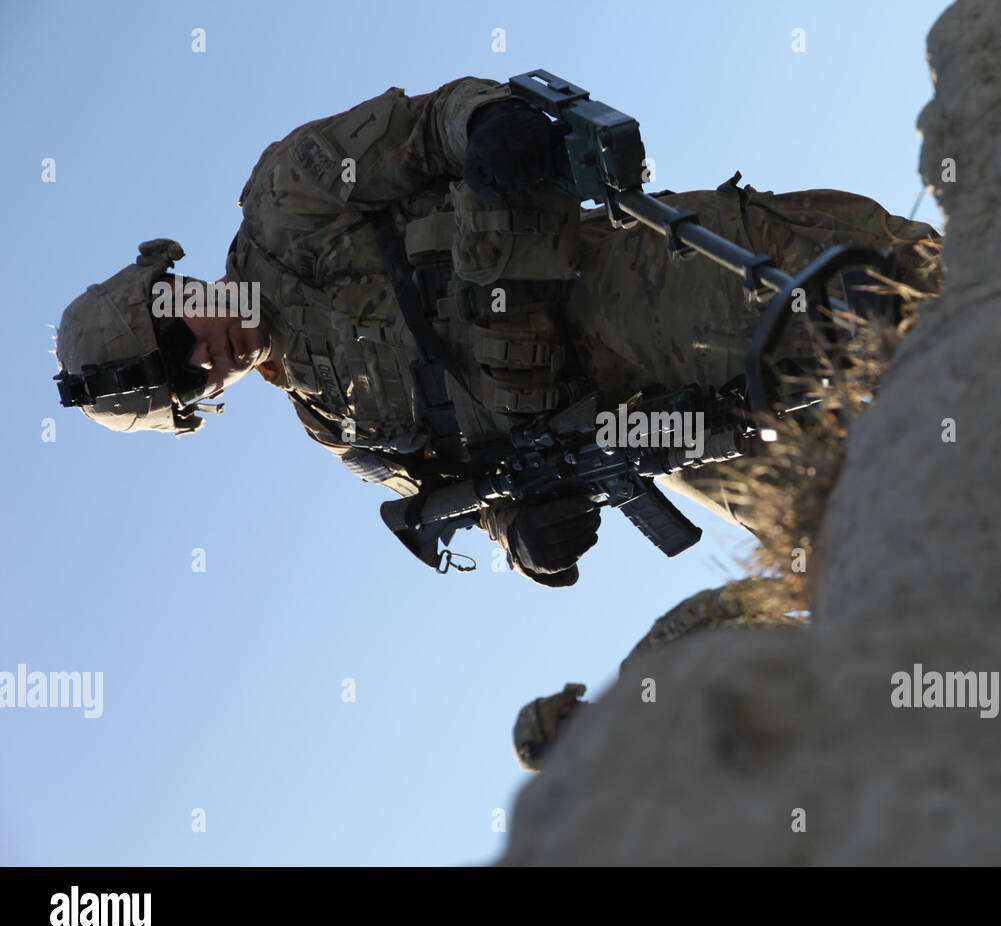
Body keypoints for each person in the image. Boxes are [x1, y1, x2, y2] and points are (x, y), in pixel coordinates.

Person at [53, 76, 941, 587]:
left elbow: (432, 125)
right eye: (190, 391)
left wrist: (492, 128)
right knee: (850, 533)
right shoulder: (334, 426)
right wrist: (526, 541)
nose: (207, 367)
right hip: (648, 433)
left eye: (179, 347)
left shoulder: (287, 202)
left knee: (878, 303)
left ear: (165, 290)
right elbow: (477, 494)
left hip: (629, 289)